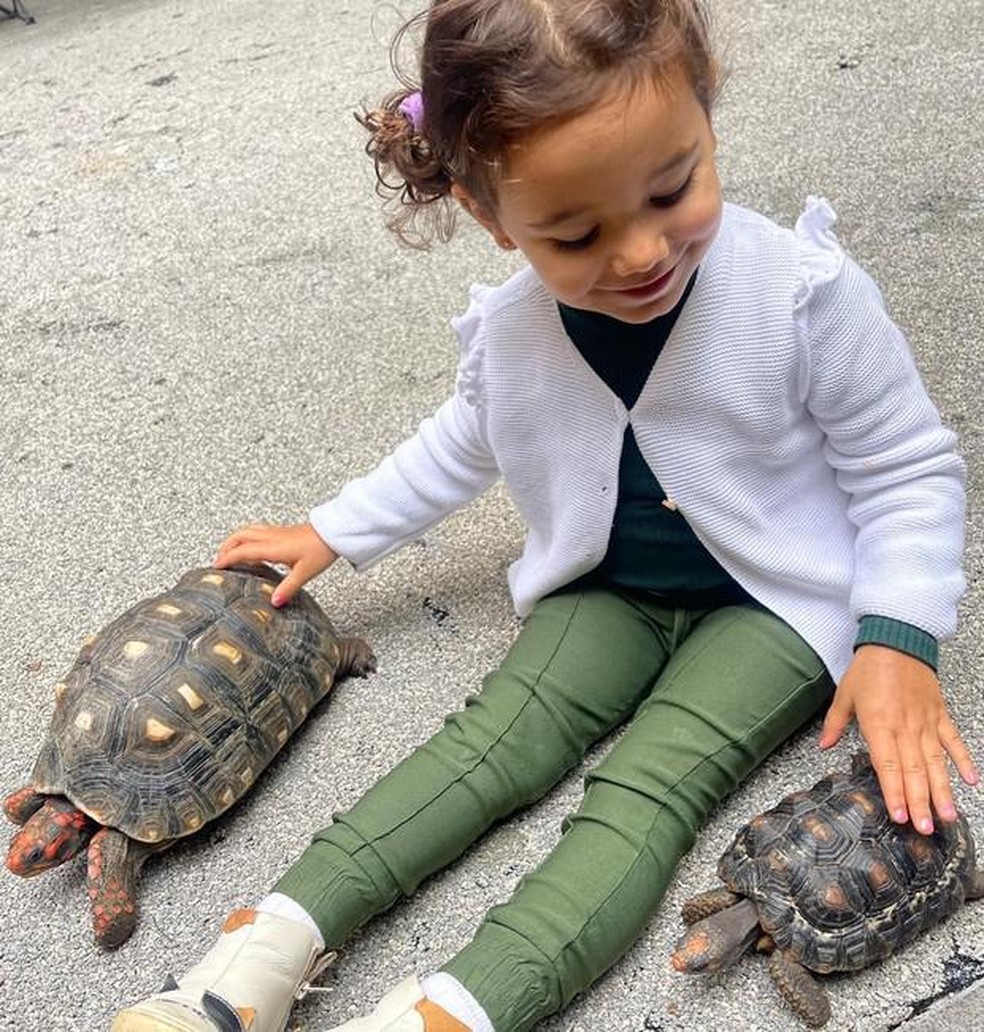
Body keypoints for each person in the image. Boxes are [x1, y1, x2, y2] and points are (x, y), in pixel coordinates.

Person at [112, 1, 978, 1030]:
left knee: (649, 790)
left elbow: (907, 470)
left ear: (707, 116)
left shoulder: (803, 296)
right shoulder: (515, 331)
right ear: (492, 219)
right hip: (609, 579)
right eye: (573, 233)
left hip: (778, 601)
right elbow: (460, 442)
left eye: (674, 186)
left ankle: (457, 1010)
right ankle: (268, 943)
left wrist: (897, 636)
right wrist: (334, 530)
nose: (640, 251)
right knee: (490, 746)